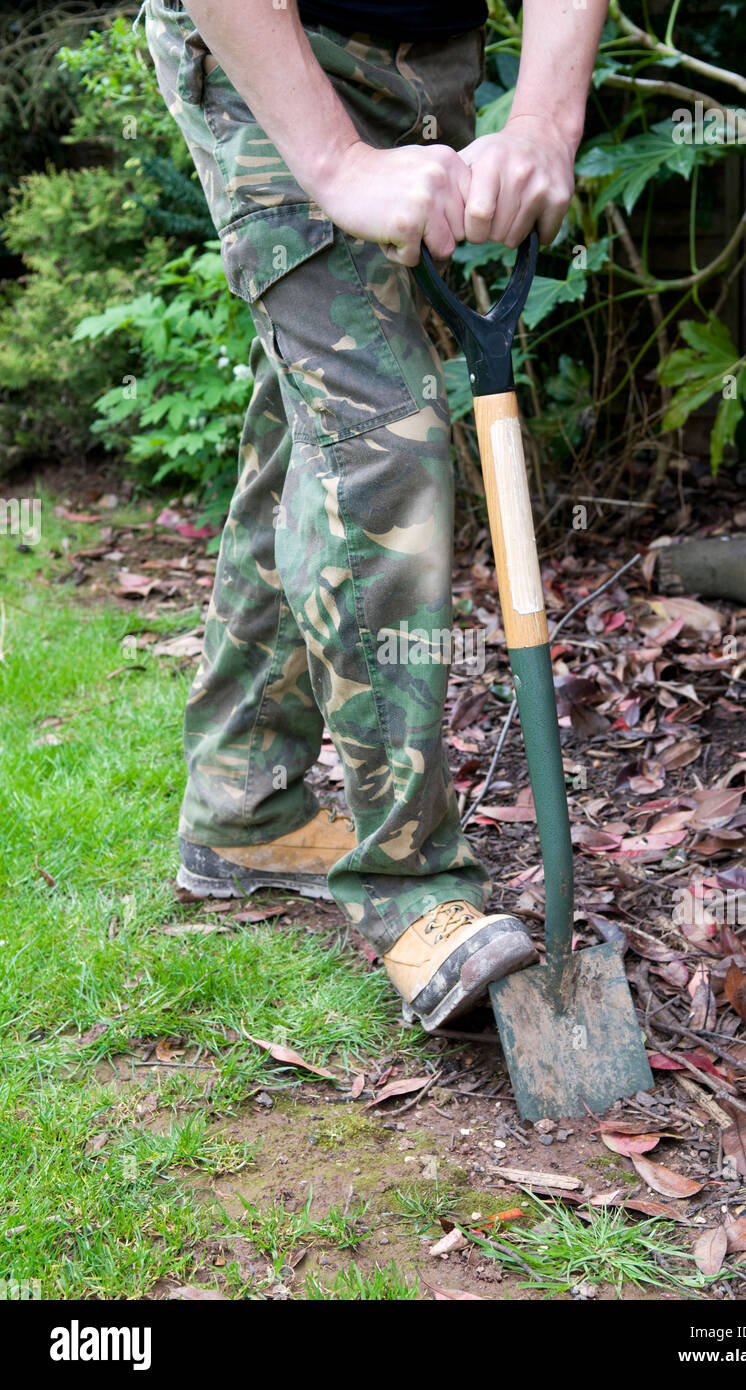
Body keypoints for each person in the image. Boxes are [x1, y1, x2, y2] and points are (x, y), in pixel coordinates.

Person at [144, 0, 607, 1031]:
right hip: (269, 52)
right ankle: (412, 884)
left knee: (311, 421)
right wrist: (338, 167)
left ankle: (242, 803)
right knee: (381, 443)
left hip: (432, 67)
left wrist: (541, 119)